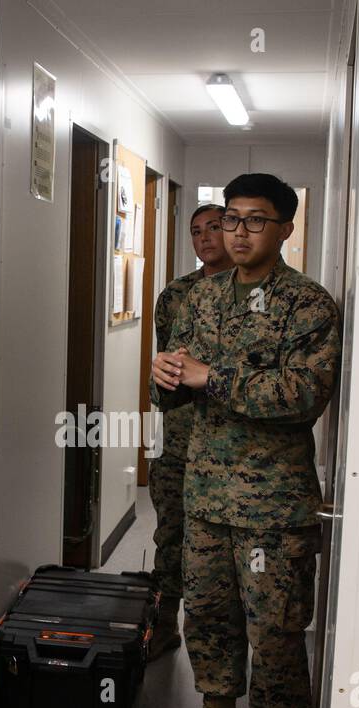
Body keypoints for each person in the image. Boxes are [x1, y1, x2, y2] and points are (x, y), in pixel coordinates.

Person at [147, 173, 341, 708]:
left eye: (255, 220)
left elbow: (303, 397)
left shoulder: (308, 305)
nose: (237, 232)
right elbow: (175, 392)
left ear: (286, 228)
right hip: (205, 490)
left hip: (273, 504)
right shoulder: (197, 299)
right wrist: (167, 379)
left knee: (278, 632)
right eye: (230, 219)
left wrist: (211, 377)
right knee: (205, 614)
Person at [146, 203, 234, 661]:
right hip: (178, 440)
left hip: (232, 448)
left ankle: (220, 649)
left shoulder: (251, 294)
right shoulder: (176, 295)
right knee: (170, 536)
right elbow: (168, 364)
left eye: (213, 228)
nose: (204, 238)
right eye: (196, 231)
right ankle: (163, 626)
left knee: (219, 553)